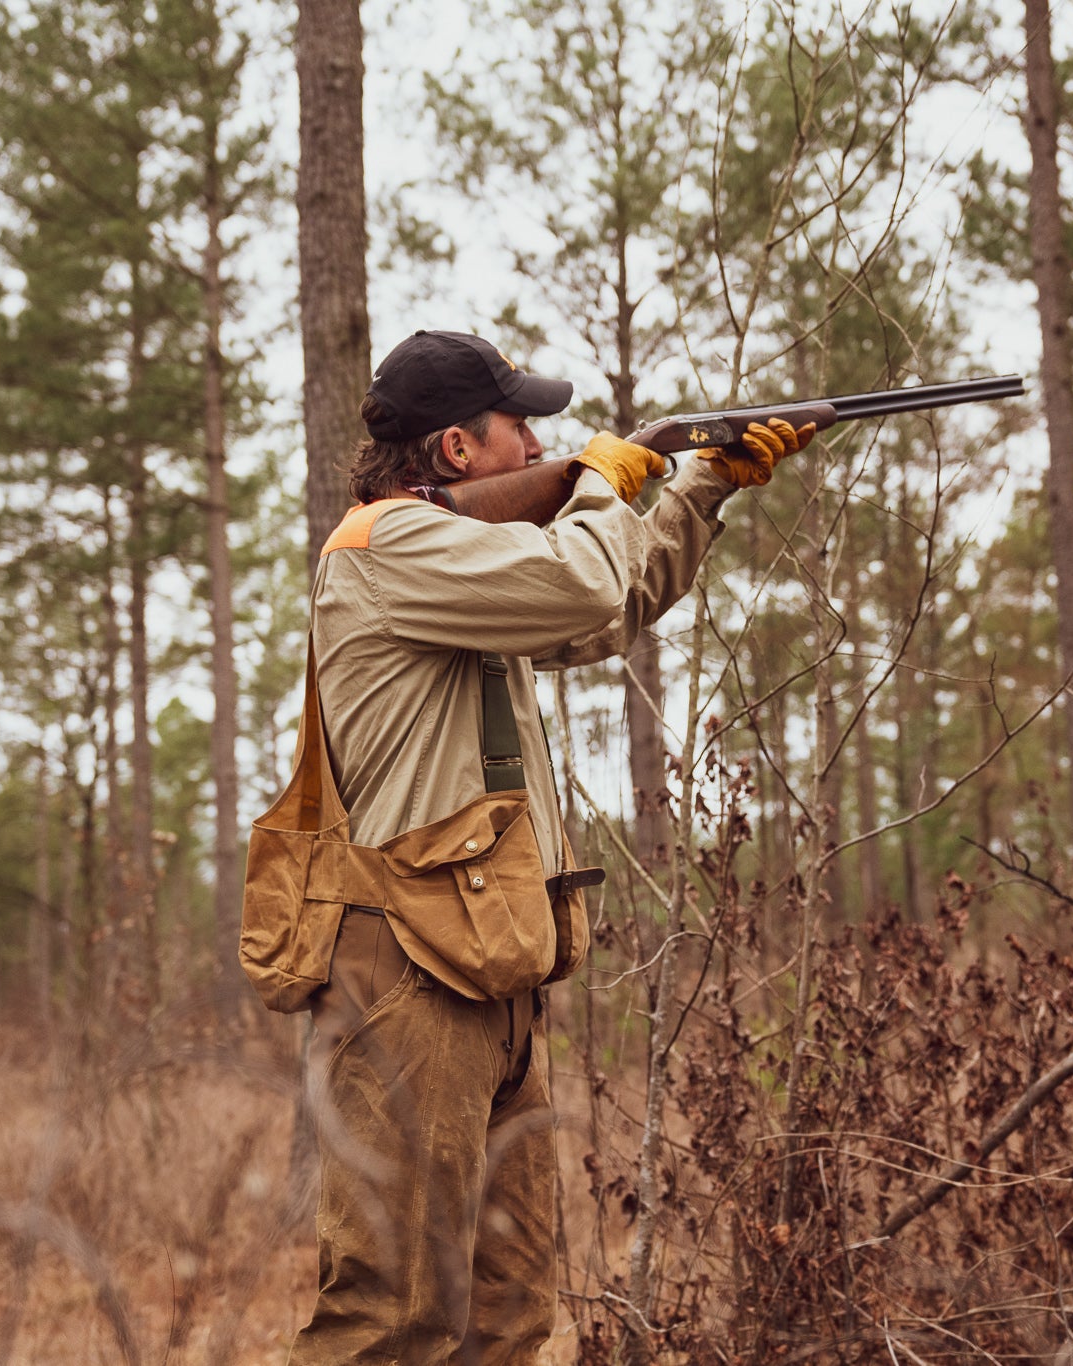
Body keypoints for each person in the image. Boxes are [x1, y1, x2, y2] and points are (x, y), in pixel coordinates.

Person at [285, 329, 812, 1364]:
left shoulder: (467, 562)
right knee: (389, 1318)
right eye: (518, 427)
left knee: (508, 1317)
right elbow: (582, 582)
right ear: (455, 450)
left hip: (491, 974)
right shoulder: (390, 545)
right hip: (407, 972)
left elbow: (606, 610)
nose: (536, 445)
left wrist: (701, 485)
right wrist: (603, 480)